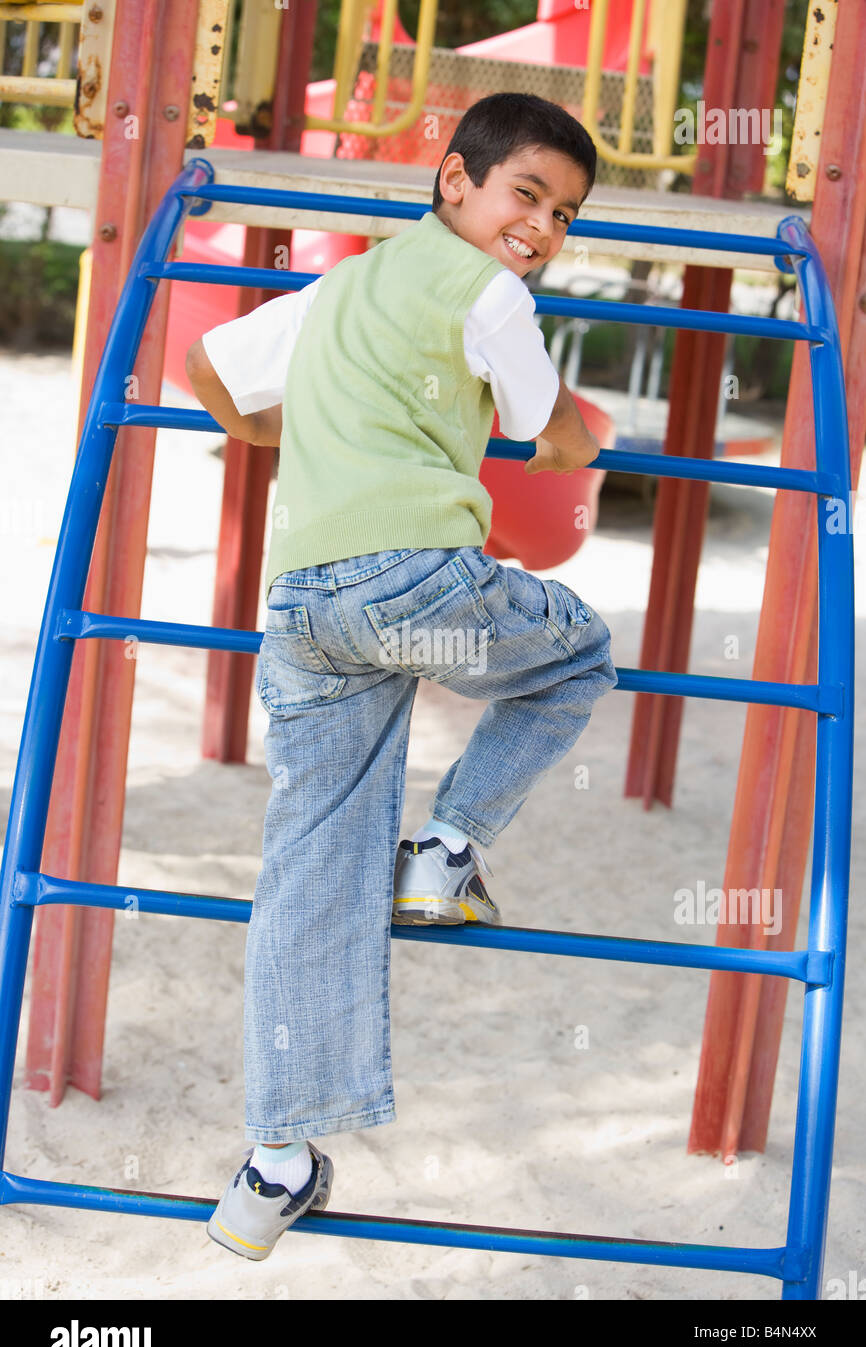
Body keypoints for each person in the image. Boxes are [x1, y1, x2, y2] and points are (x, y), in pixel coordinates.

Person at [185, 92, 619, 1262]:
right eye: (524, 194)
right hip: (416, 585)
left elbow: (207, 361)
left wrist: (265, 434)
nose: (539, 228)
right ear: (454, 183)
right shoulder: (489, 292)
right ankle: (445, 849)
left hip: (308, 605)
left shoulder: (340, 289)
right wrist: (589, 435)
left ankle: (273, 1163)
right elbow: (538, 423)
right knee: (574, 655)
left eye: (563, 215)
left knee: (310, 862)